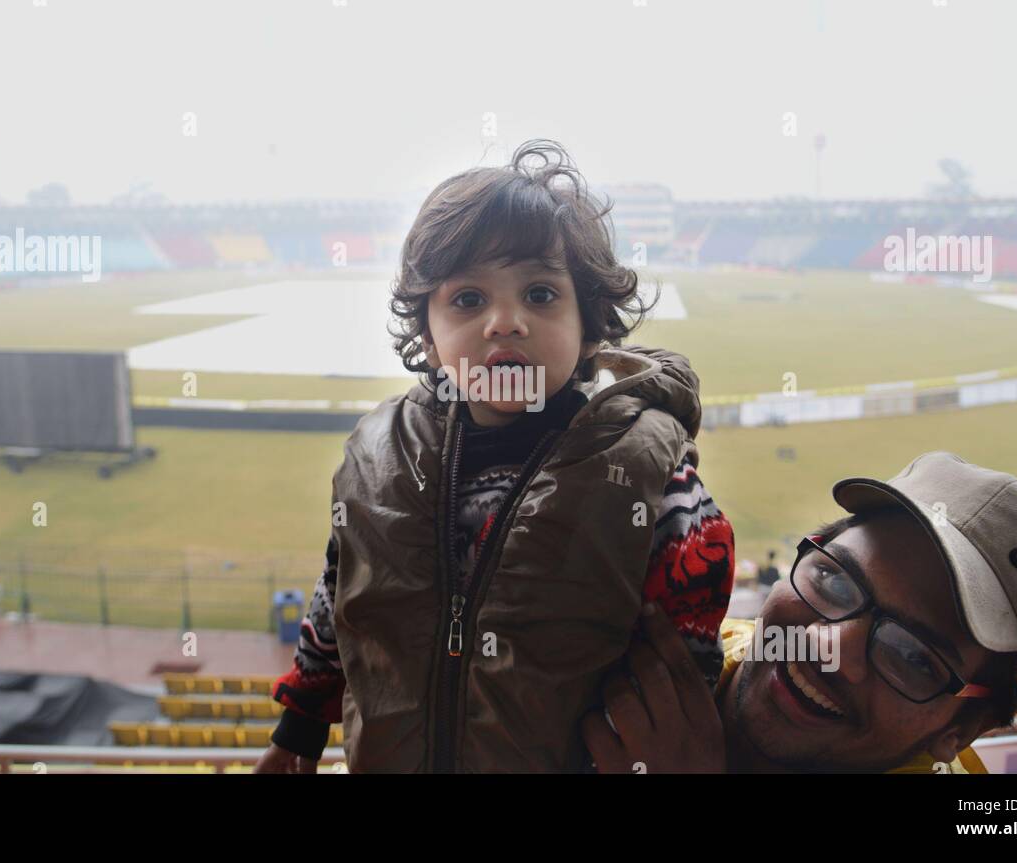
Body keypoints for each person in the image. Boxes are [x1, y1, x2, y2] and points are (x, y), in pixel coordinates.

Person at [255, 140, 735, 773]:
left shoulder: (651, 475)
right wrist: (297, 732)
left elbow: (678, 674)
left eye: (539, 294)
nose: (503, 322)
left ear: (589, 326)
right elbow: (340, 600)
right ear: (427, 336)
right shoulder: (379, 457)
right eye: (468, 299)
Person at [582, 451, 1017, 773]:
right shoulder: (637, 643)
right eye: (836, 580)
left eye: (913, 657)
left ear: (961, 731)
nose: (828, 647)